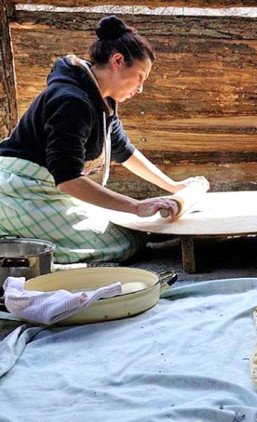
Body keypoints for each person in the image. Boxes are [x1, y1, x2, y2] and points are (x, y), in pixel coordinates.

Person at [0, 15, 208, 264]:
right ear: (117, 61)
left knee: (131, 232)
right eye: (140, 77)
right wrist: (136, 206)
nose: (140, 89)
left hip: (47, 192)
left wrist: (174, 187)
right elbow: (67, 180)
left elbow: (123, 150)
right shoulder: (70, 100)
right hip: (20, 192)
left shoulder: (102, 98)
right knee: (122, 242)